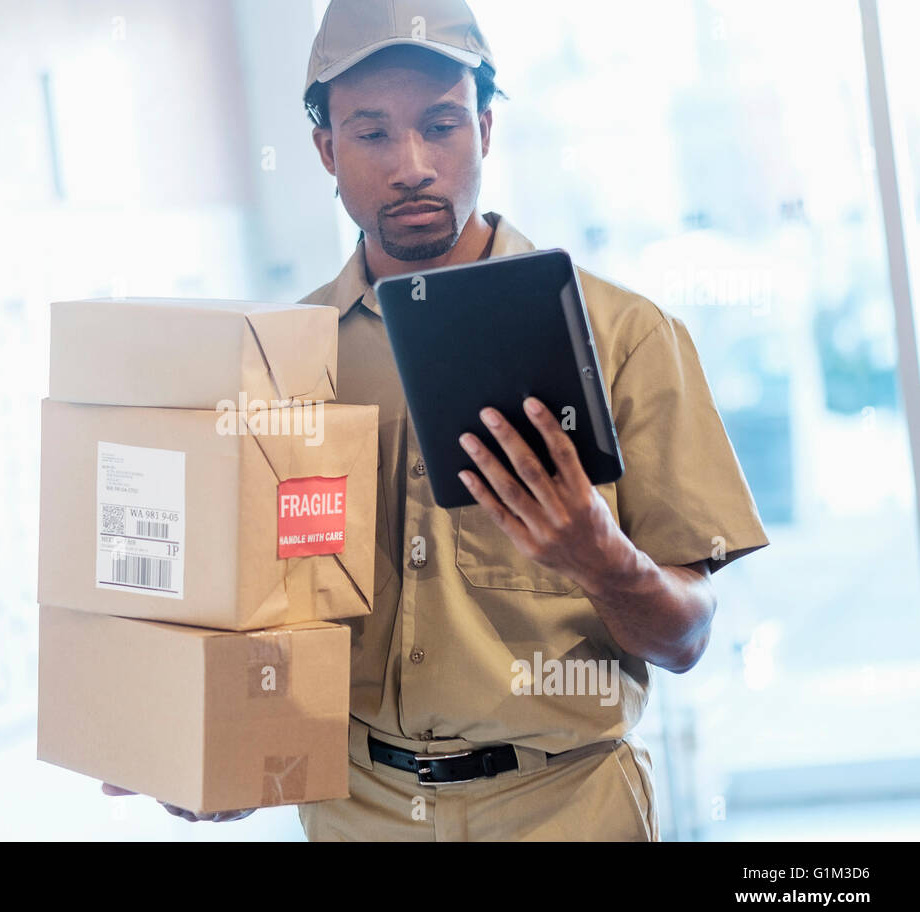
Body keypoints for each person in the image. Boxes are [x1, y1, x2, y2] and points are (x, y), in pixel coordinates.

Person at [109, 0, 768, 840]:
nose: (412, 164)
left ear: (486, 130)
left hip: (566, 806)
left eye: (442, 125)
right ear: (326, 150)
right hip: (356, 806)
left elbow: (687, 639)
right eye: (372, 133)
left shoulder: (624, 335)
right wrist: (220, 756)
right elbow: (253, 615)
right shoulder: (278, 359)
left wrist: (601, 558)